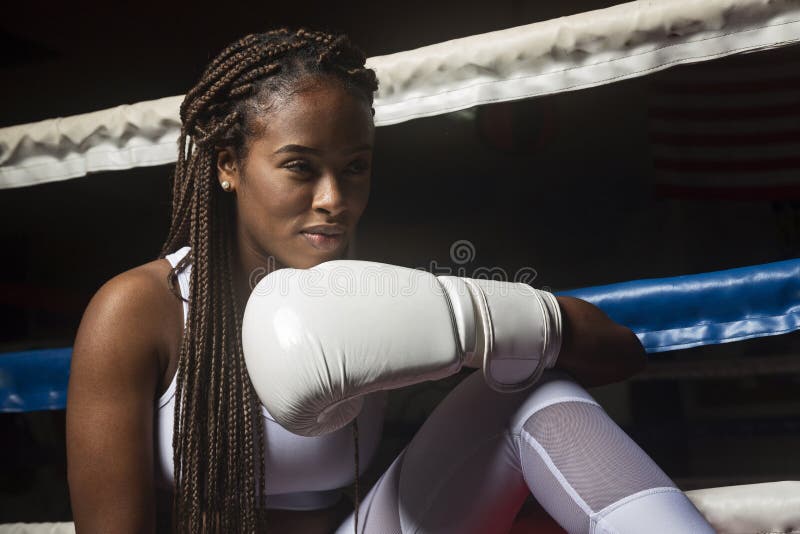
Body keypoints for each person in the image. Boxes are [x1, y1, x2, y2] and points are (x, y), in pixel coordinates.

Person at [66, 28, 713, 534]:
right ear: (229, 165)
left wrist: (474, 319)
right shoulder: (139, 311)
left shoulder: (364, 289)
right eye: (299, 166)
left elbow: (620, 354)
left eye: (355, 168)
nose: (333, 199)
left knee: (529, 396)